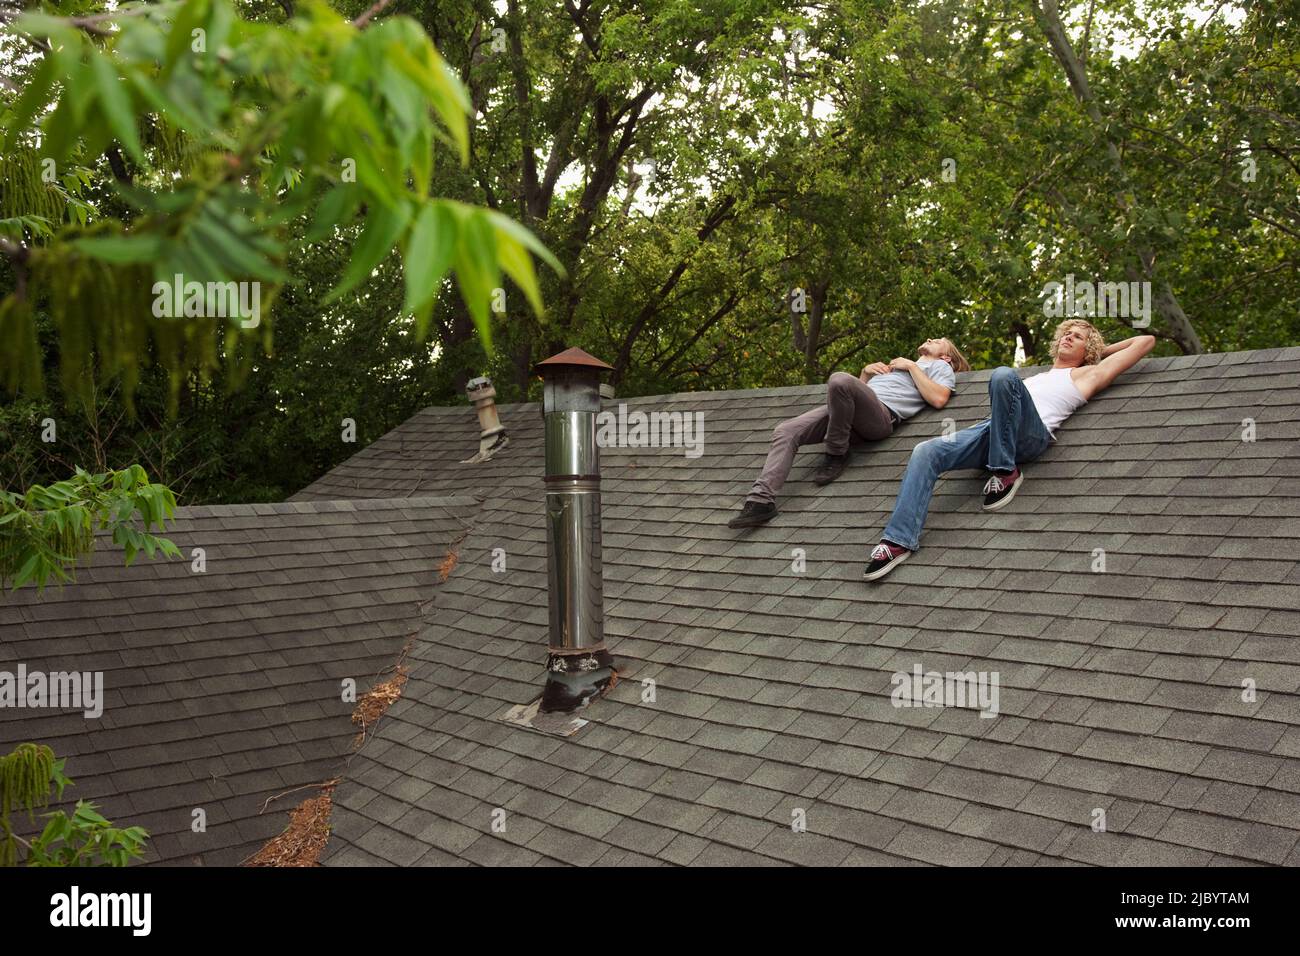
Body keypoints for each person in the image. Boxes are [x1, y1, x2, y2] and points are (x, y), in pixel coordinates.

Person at [864, 320, 1156, 580]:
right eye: (1066, 333)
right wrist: (1084, 344)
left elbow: (1145, 341)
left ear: (1088, 350)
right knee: (925, 451)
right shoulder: (1037, 377)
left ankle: (1005, 472)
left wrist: (1097, 351)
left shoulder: (1089, 374)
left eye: (1077, 337)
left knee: (1003, 375)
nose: (1068, 337)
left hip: (1030, 434)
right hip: (991, 431)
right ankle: (897, 542)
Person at [729, 338, 970, 528]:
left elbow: (939, 399)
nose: (930, 338)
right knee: (786, 430)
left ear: (946, 357)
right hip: (850, 414)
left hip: (880, 418)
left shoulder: (939, 367)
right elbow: (844, 398)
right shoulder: (901, 367)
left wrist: (910, 366)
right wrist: (865, 375)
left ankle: (836, 453)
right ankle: (761, 501)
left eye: (938, 340)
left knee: (839, 379)